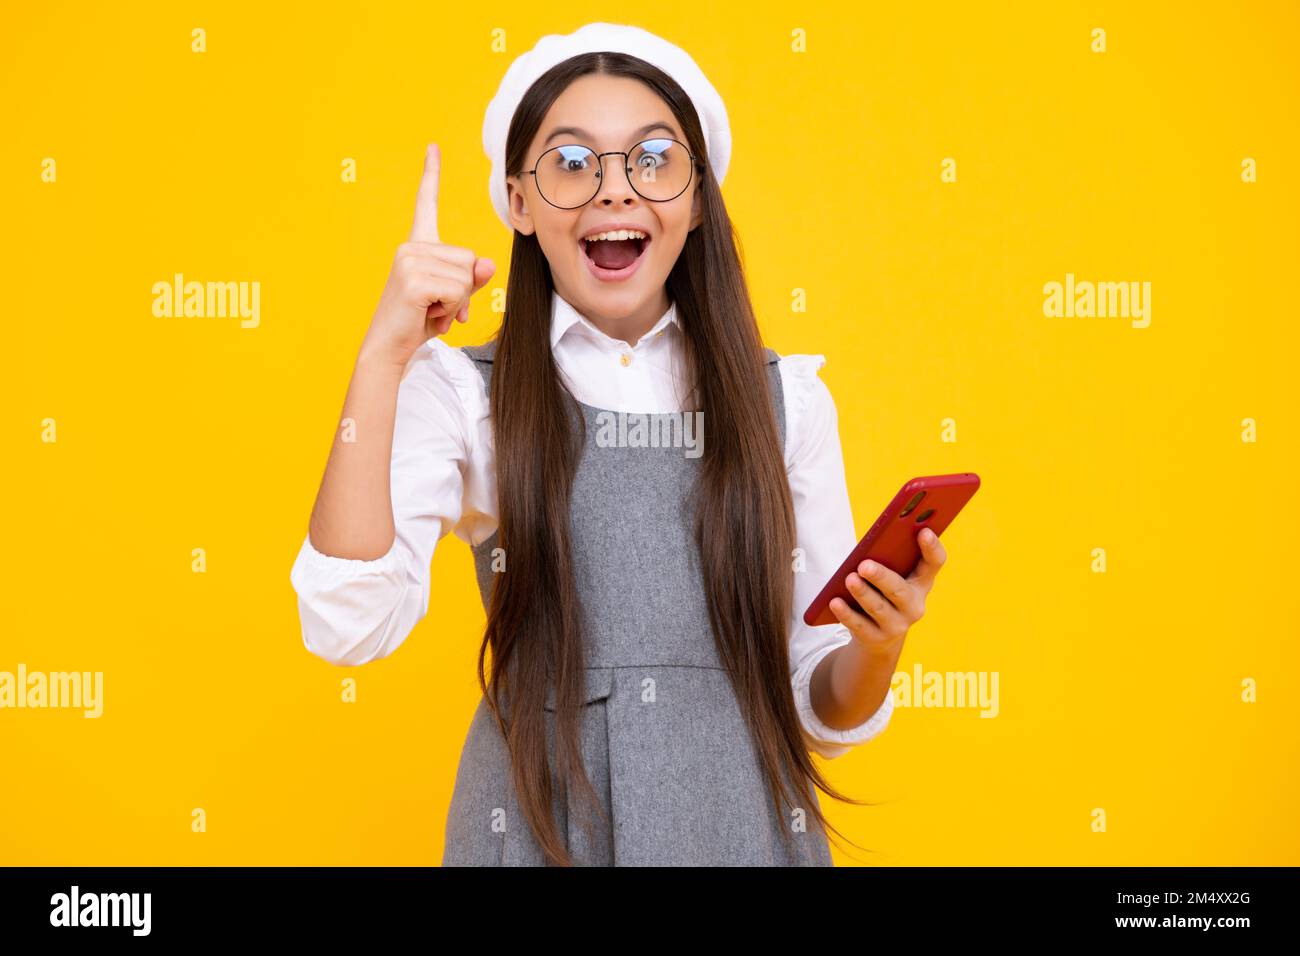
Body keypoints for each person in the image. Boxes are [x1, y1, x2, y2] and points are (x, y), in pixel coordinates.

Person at [290, 22, 947, 866]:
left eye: (652, 159)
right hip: (538, 826)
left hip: (740, 826)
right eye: (570, 163)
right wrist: (384, 356)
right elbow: (347, 625)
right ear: (519, 204)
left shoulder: (786, 402)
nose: (614, 191)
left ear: (699, 196)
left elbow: (823, 711)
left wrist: (877, 643)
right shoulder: (465, 393)